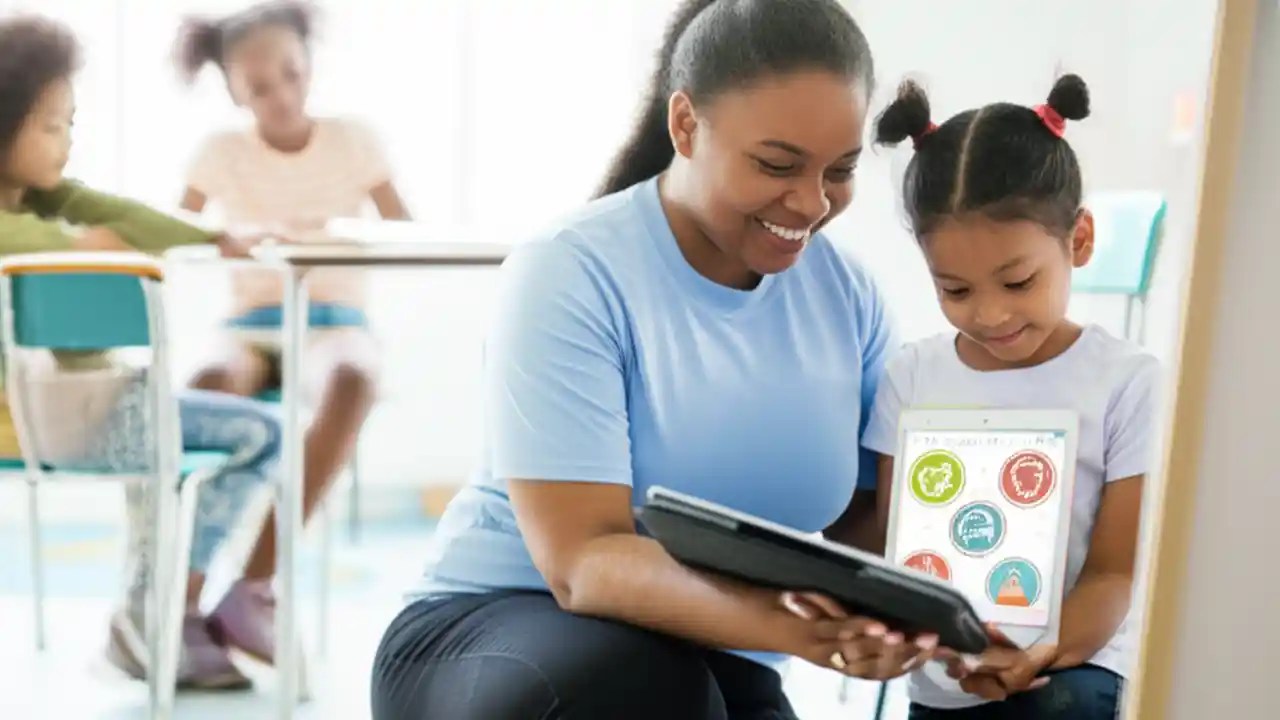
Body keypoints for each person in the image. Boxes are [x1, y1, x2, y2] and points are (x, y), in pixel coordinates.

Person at [369, 1, 959, 718]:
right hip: (498, 636)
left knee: (678, 688)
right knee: (644, 688)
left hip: (704, 659)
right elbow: (584, 562)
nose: (810, 202)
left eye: (839, 170)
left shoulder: (848, 295)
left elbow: (872, 523)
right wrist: (806, 631)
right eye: (777, 164)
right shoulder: (569, 271)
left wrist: (982, 602)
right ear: (685, 125)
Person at [859, 76, 1161, 718]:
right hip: (942, 679)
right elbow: (896, 549)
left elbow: (1113, 575)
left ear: (1078, 240)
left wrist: (1039, 653)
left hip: (1075, 668)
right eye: (956, 291)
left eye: (1018, 281)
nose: (992, 315)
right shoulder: (912, 377)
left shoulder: (1127, 381)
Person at [0, 15, 282, 690]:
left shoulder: (47, 202)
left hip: (69, 422)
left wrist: (213, 236)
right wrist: (195, 240)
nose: (65, 139)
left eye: (69, 122)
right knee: (264, 434)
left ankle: (149, 611)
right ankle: (154, 608)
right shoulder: (29, 232)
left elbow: (116, 213)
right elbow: (98, 245)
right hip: (68, 422)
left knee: (162, 447)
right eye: (48, 124)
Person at [170, 0, 411, 665]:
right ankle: (179, 603)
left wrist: (337, 237)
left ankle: (251, 585)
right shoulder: (219, 153)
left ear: (308, 65)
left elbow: (404, 228)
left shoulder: (354, 140)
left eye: (290, 74)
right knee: (208, 385)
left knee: (353, 377)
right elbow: (175, 235)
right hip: (250, 322)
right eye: (258, 87)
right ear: (233, 91)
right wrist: (231, 242)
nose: (279, 95)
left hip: (333, 320)